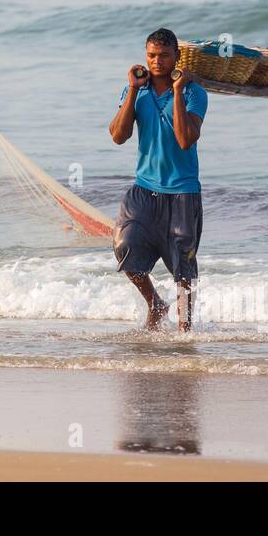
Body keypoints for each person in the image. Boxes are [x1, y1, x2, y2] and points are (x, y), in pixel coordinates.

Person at [108, 28, 207, 331]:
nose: (157, 61)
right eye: (151, 55)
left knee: (183, 268)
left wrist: (177, 91)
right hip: (144, 188)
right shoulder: (136, 91)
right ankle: (155, 303)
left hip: (182, 192)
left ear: (177, 56)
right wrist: (134, 90)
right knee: (125, 246)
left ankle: (185, 331)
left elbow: (184, 139)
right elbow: (118, 136)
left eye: (164, 55)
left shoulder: (195, 93)